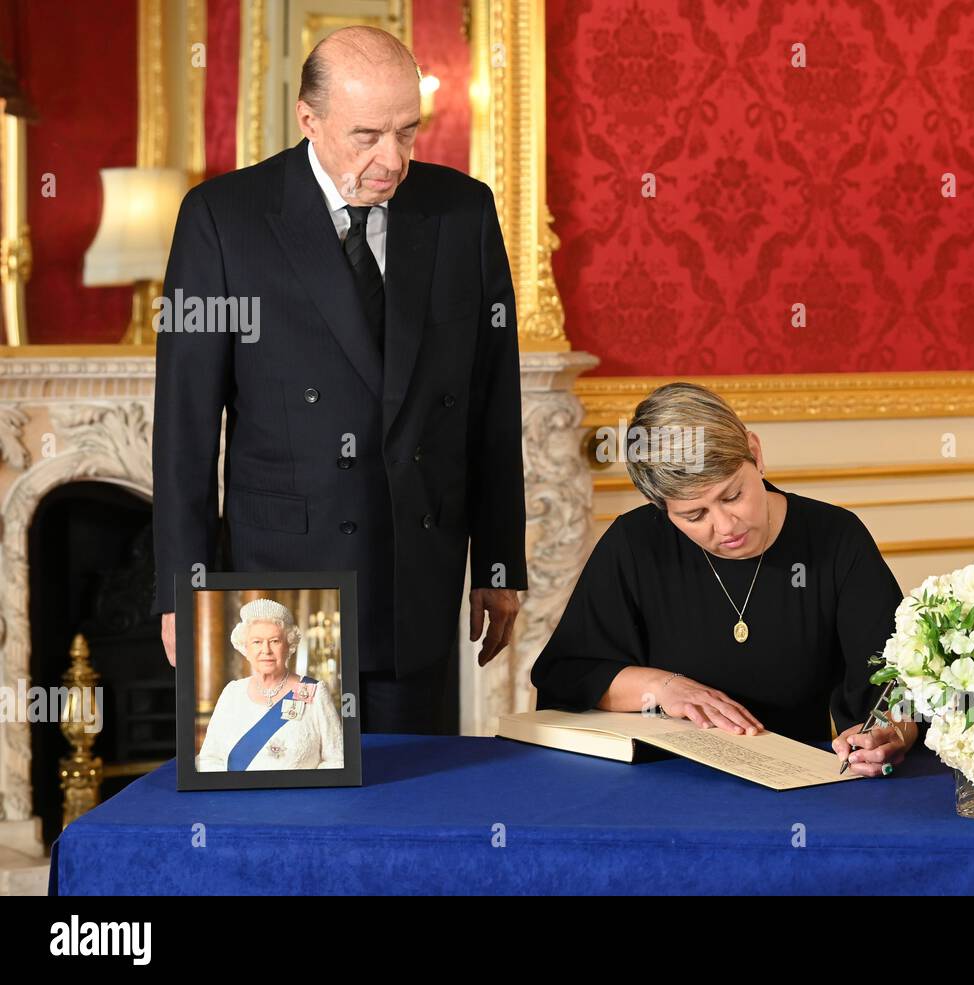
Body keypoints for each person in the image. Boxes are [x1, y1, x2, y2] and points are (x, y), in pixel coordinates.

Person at [152, 26, 526, 734]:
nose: (393, 160)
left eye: (408, 132)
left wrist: (499, 564)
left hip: (417, 569)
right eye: (367, 136)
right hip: (285, 581)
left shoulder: (462, 210)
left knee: (415, 805)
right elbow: (186, 427)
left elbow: (491, 409)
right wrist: (183, 588)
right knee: (299, 819)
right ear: (308, 119)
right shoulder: (223, 219)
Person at [530, 382, 922, 777]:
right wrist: (664, 688)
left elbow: (901, 684)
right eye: (694, 516)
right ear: (662, 509)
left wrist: (891, 733)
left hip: (794, 783)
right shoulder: (635, 544)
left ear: (755, 453)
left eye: (733, 496)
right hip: (659, 780)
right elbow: (567, 676)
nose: (725, 526)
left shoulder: (835, 538)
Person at [197, 599, 344, 771]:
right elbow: (209, 758)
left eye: (274, 641)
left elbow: (337, 760)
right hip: (239, 796)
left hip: (298, 796)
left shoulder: (314, 691)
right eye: (257, 642)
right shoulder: (232, 693)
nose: (266, 650)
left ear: (289, 645)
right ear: (246, 648)